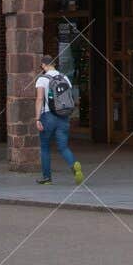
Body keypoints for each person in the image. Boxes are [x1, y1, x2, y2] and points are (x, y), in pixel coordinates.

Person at [35, 54, 83, 185]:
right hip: (63, 116)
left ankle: (47, 178)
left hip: (47, 116)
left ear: (43, 65)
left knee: (45, 147)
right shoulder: (65, 77)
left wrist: (37, 118)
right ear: (54, 64)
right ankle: (74, 164)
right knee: (63, 147)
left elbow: (39, 99)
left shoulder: (42, 79)